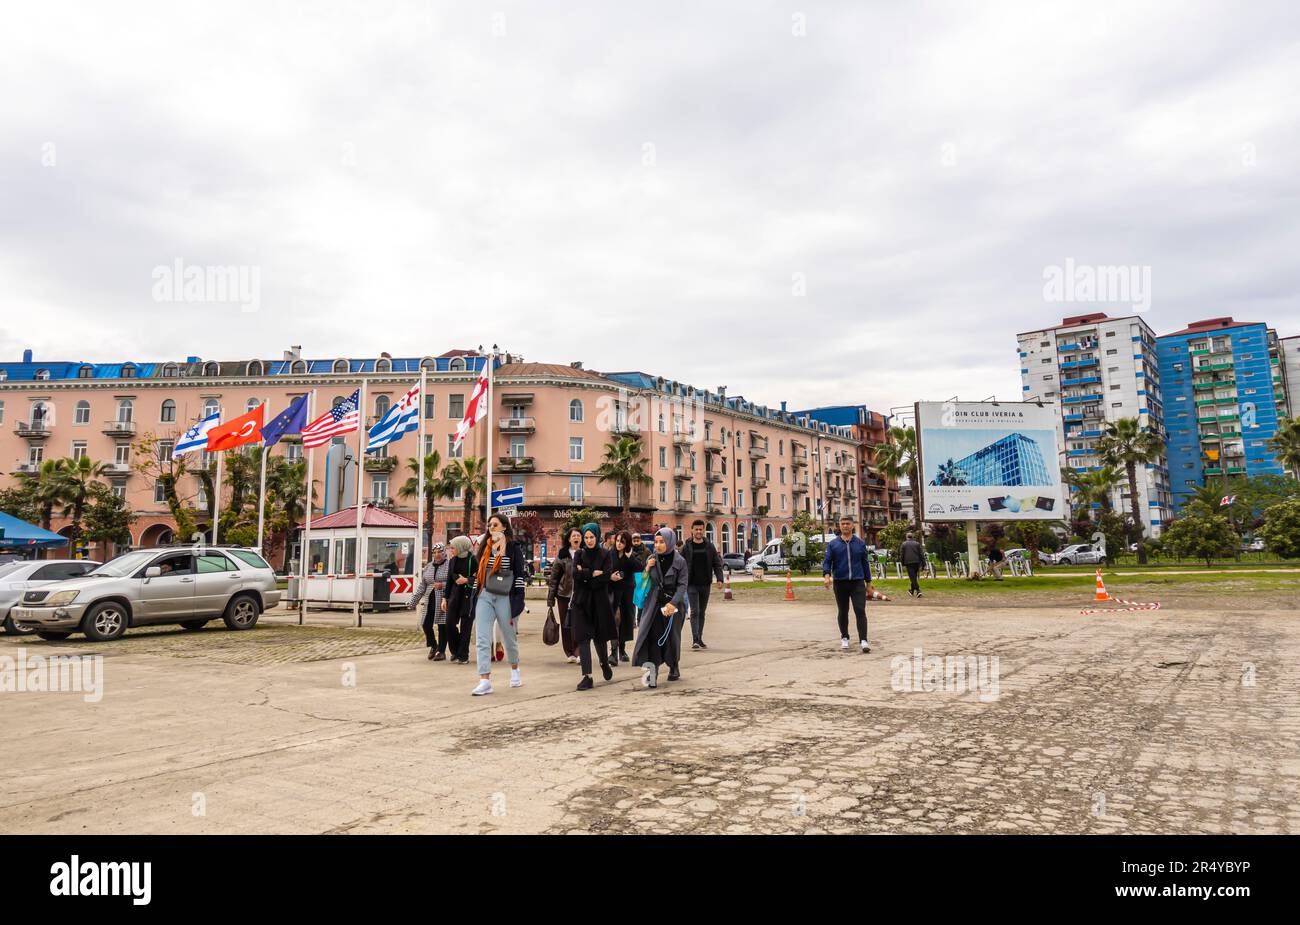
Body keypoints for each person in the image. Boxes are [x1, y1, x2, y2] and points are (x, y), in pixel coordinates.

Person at [469, 515, 526, 696]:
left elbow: (519, 575)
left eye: (495, 524)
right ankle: (484, 680)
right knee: (482, 638)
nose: (491, 527)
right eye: (489, 525)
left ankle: (515, 669)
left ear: (504, 527)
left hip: (505, 597)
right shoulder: (484, 547)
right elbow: (478, 572)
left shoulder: (513, 548)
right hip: (485, 594)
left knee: (509, 637)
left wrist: (518, 601)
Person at [632, 527, 688, 688]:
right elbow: (642, 582)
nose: (658, 545)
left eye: (661, 542)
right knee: (653, 636)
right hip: (654, 604)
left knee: (672, 637)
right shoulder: (651, 558)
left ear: (669, 542)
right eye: (656, 542)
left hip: (673, 604)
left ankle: (674, 666)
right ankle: (653, 670)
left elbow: (683, 585)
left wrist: (673, 603)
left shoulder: (680, 562)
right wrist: (647, 568)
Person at [570, 522, 619, 690]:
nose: (589, 540)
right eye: (586, 537)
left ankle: (604, 663)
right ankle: (587, 676)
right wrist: (591, 573)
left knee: (599, 638)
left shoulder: (605, 554)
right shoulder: (579, 554)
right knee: (583, 638)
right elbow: (575, 575)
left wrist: (586, 575)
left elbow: (606, 576)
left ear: (597, 537)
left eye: (592, 537)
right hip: (581, 602)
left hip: (599, 602)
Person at [822, 515, 872, 653]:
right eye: (842, 523)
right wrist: (827, 576)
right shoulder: (833, 544)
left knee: (860, 610)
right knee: (843, 611)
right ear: (839, 525)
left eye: (847, 523)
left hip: (857, 582)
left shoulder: (860, 543)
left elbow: (865, 563)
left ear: (852, 525)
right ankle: (844, 637)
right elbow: (827, 561)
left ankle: (863, 640)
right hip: (840, 583)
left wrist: (868, 582)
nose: (845, 526)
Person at [679, 520, 725, 650]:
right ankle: (695, 639)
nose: (699, 532)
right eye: (696, 529)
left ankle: (699, 637)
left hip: (705, 584)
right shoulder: (686, 547)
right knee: (694, 611)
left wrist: (720, 578)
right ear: (692, 530)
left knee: (702, 612)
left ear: (703, 530)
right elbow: (680, 563)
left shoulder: (709, 546)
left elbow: (716, 563)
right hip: (691, 584)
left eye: (701, 529)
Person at [546, 527, 583, 664]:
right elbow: (554, 578)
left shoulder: (585, 553)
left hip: (580, 595)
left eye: (578, 535)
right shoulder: (562, 555)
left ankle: (579, 650)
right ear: (569, 539)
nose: (576, 538)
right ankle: (569, 652)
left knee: (579, 624)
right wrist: (550, 598)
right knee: (566, 624)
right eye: (574, 535)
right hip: (564, 595)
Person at [410, 543, 451, 660]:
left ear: (444, 552)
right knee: (425, 624)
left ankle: (442, 652)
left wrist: (442, 584)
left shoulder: (449, 565)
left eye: (439, 552)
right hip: (430, 600)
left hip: (443, 600)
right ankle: (434, 645)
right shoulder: (428, 566)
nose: (437, 554)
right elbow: (422, 586)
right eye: (435, 552)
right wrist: (413, 601)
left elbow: (453, 582)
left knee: (442, 626)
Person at [609, 530, 640, 664]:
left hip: (627, 592)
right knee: (615, 620)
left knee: (626, 621)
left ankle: (622, 649)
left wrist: (629, 557)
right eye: (617, 541)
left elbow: (640, 567)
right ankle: (613, 652)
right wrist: (611, 577)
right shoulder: (609, 554)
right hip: (614, 591)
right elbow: (605, 570)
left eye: (622, 541)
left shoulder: (631, 555)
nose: (619, 544)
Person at [444, 535, 476, 663]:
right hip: (454, 596)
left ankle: (463, 655)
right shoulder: (453, 561)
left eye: (453, 547)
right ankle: (455, 650)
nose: (451, 550)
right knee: (449, 624)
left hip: (468, 597)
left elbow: (481, 577)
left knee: (465, 627)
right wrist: (445, 598)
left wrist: (467, 580)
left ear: (461, 547)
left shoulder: (473, 560)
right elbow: (449, 581)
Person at [900, 532, 926, 598]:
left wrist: (902, 563)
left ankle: (918, 590)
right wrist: (923, 564)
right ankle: (911, 591)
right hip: (917, 562)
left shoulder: (904, 544)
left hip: (908, 563)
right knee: (914, 577)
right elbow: (921, 554)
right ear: (912, 537)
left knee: (912, 578)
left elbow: (902, 555)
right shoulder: (917, 544)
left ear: (907, 537)